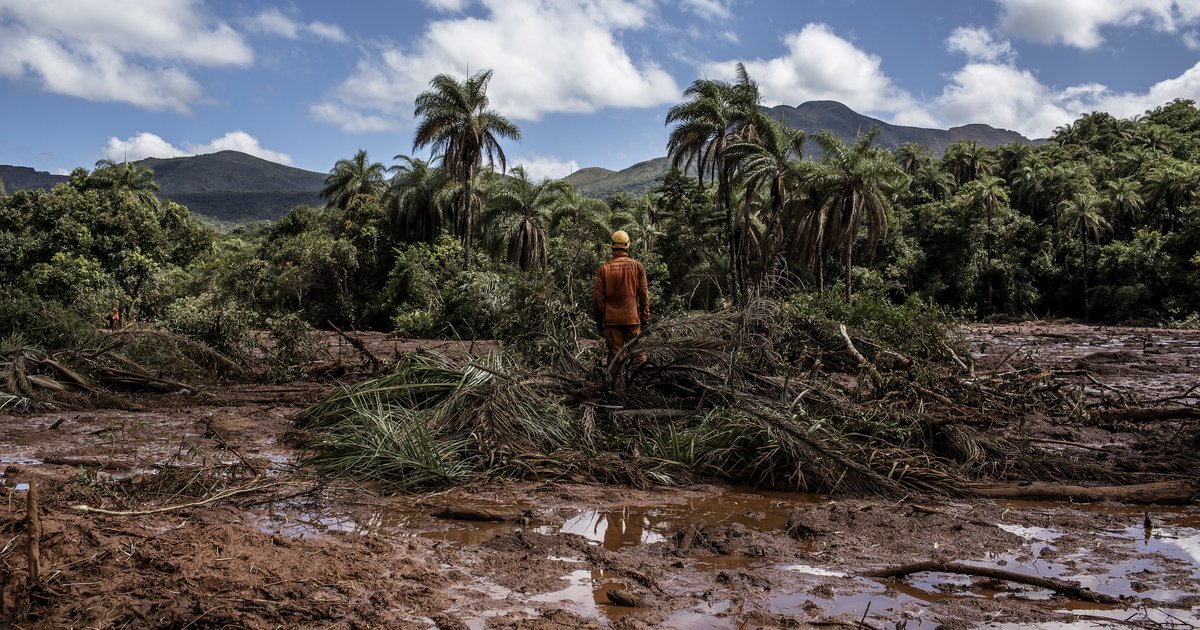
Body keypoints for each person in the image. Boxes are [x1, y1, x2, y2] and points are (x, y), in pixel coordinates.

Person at [592, 230, 650, 368]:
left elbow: (597, 299)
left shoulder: (604, 269)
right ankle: (639, 384)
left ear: (612, 245)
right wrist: (645, 318)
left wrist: (599, 321)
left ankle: (616, 387)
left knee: (615, 358)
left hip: (611, 321)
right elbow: (643, 294)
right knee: (637, 355)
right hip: (632, 319)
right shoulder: (637, 267)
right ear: (627, 245)